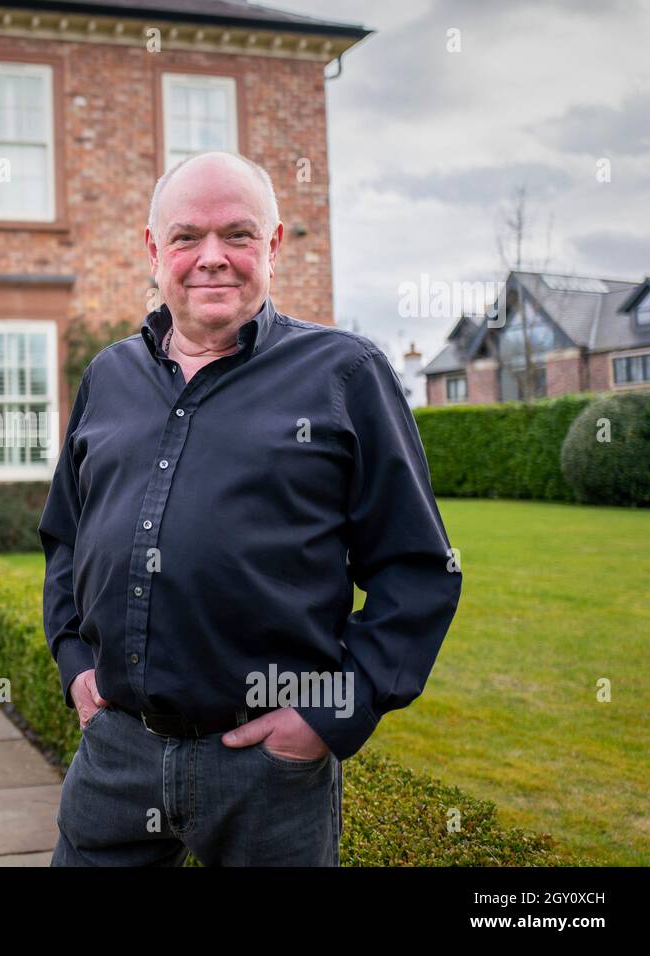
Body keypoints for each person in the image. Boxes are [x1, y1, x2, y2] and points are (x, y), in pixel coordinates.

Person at [41, 150, 462, 866]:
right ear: (154, 250)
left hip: (267, 772)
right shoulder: (109, 376)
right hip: (116, 754)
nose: (212, 258)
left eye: (237, 235)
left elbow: (418, 569)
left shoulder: (344, 374)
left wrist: (331, 714)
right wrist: (75, 662)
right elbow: (67, 539)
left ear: (270, 247)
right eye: (186, 238)